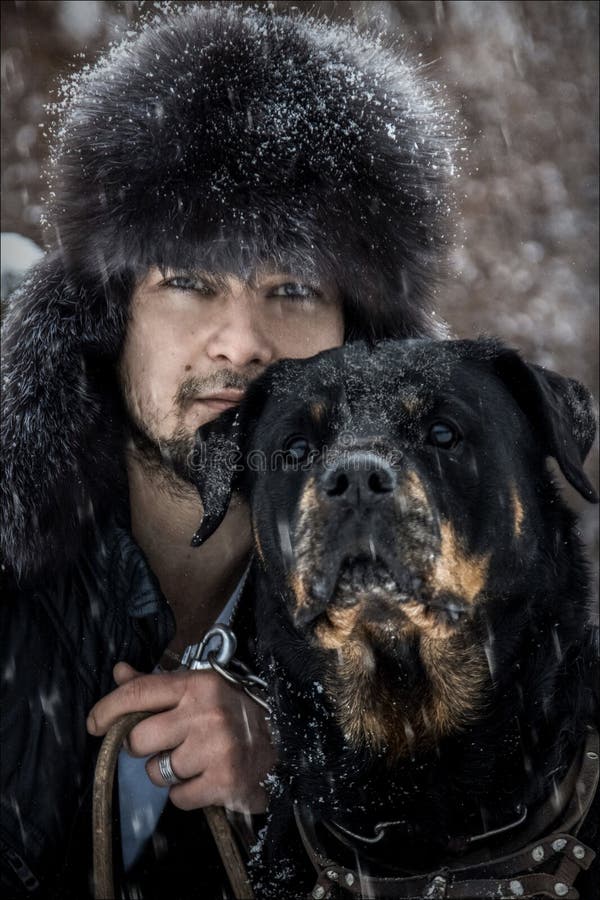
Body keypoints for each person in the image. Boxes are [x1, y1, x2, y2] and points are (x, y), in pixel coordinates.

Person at [0, 4, 454, 898]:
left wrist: (314, 765)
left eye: (291, 287)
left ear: (359, 336)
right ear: (110, 311)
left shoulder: (456, 599)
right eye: (190, 282)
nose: (241, 343)